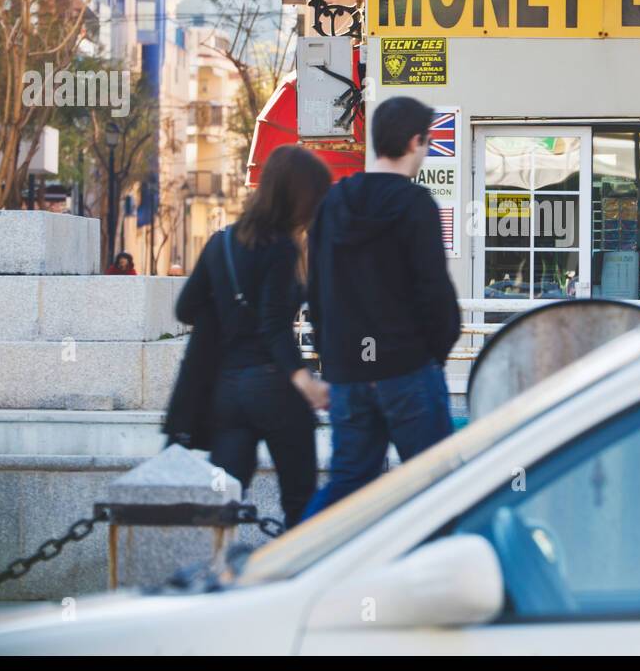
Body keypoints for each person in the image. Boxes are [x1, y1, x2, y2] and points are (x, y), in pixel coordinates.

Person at [304, 96, 460, 518]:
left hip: (349, 372)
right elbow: (435, 293)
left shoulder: (332, 204)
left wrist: (332, 360)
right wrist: (436, 353)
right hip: (408, 368)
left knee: (348, 486)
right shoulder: (416, 205)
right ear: (416, 142)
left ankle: (289, 566)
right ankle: (440, 578)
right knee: (438, 484)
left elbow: (316, 292)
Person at [172, 144, 333, 528]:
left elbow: (185, 309)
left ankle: (215, 577)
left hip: (228, 394)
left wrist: (228, 313)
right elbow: (274, 325)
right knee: (299, 505)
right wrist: (307, 383)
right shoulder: (282, 249)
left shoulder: (220, 243)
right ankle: (298, 584)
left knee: (223, 503)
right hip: (275, 390)